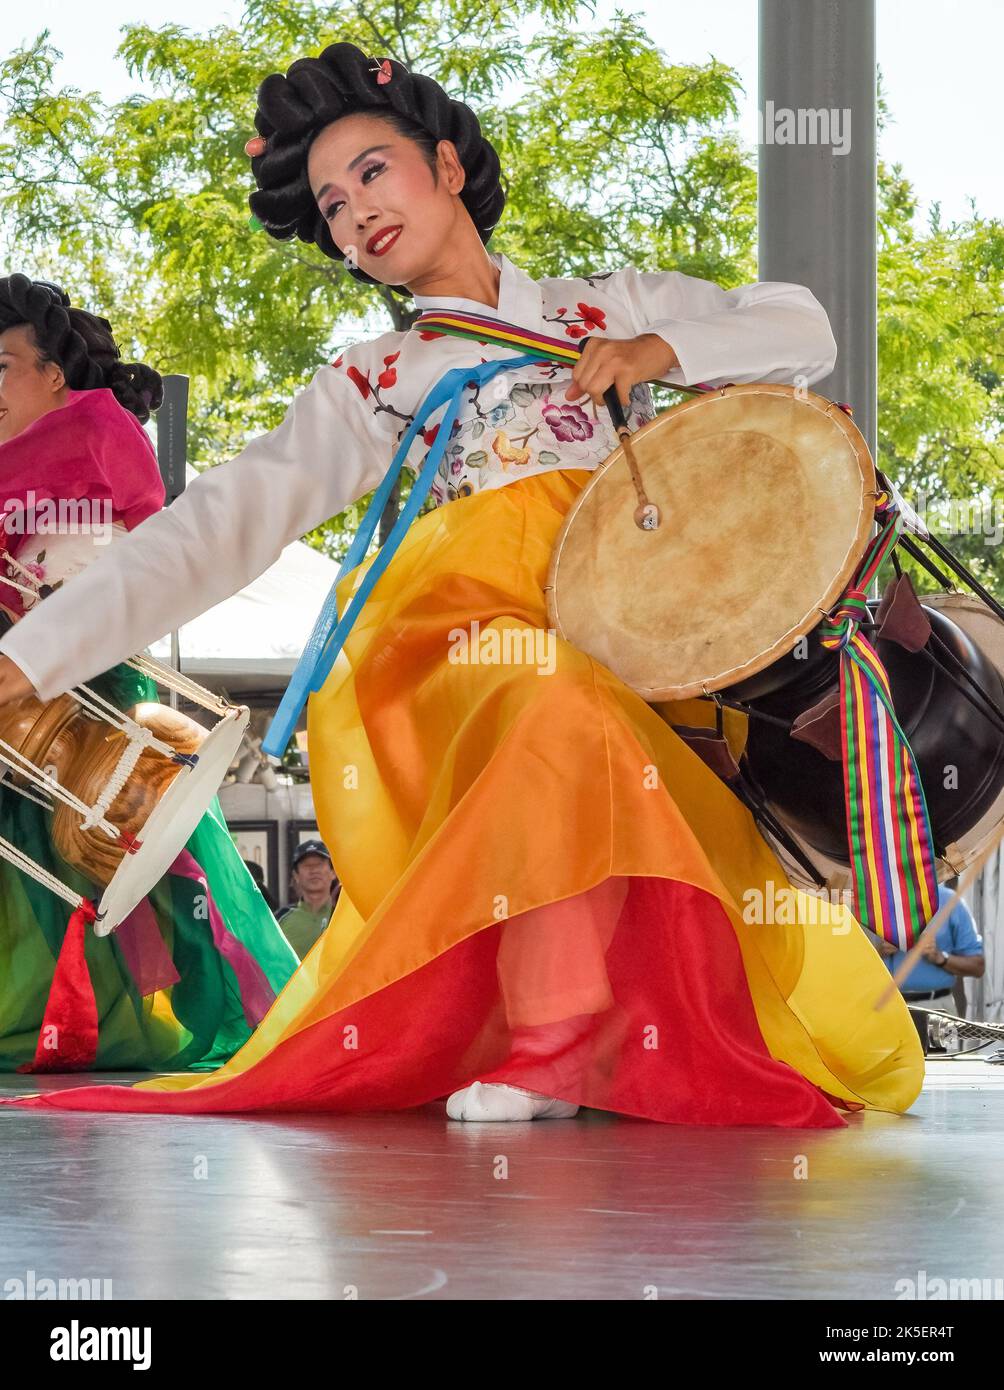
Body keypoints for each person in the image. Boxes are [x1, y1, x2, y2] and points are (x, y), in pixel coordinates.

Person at [0, 43, 922, 1123]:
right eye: (332, 208)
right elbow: (216, 528)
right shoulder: (371, 380)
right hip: (463, 642)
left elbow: (798, 329)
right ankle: (548, 1040)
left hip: (628, 627)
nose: (354, 216)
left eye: (372, 173)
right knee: (547, 704)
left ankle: (614, 1046)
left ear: (445, 162)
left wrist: (656, 347)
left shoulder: (595, 307)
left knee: (609, 747)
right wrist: (28, 660)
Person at [0, 274, 297, 1072]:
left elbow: (158, 542)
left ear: (53, 372)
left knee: (137, 846)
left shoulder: (102, 427)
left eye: (2, 364)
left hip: (95, 678)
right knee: (28, 866)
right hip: (13, 693)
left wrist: (82, 594)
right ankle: (46, 1023)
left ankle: (231, 1014)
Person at [876, 881, 985, 1053]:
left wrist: (940, 957)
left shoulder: (951, 902)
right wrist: (878, 951)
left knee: (947, 1073)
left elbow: (978, 966)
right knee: (889, 1074)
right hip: (888, 1009)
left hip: (939, 1009)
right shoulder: (874, 900)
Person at [278, 840, 336, 959]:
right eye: (307, 865)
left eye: (319, 864)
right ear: (296, 876)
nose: (314, 871)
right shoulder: (280, 920)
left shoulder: (345, 915)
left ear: (333, 873)